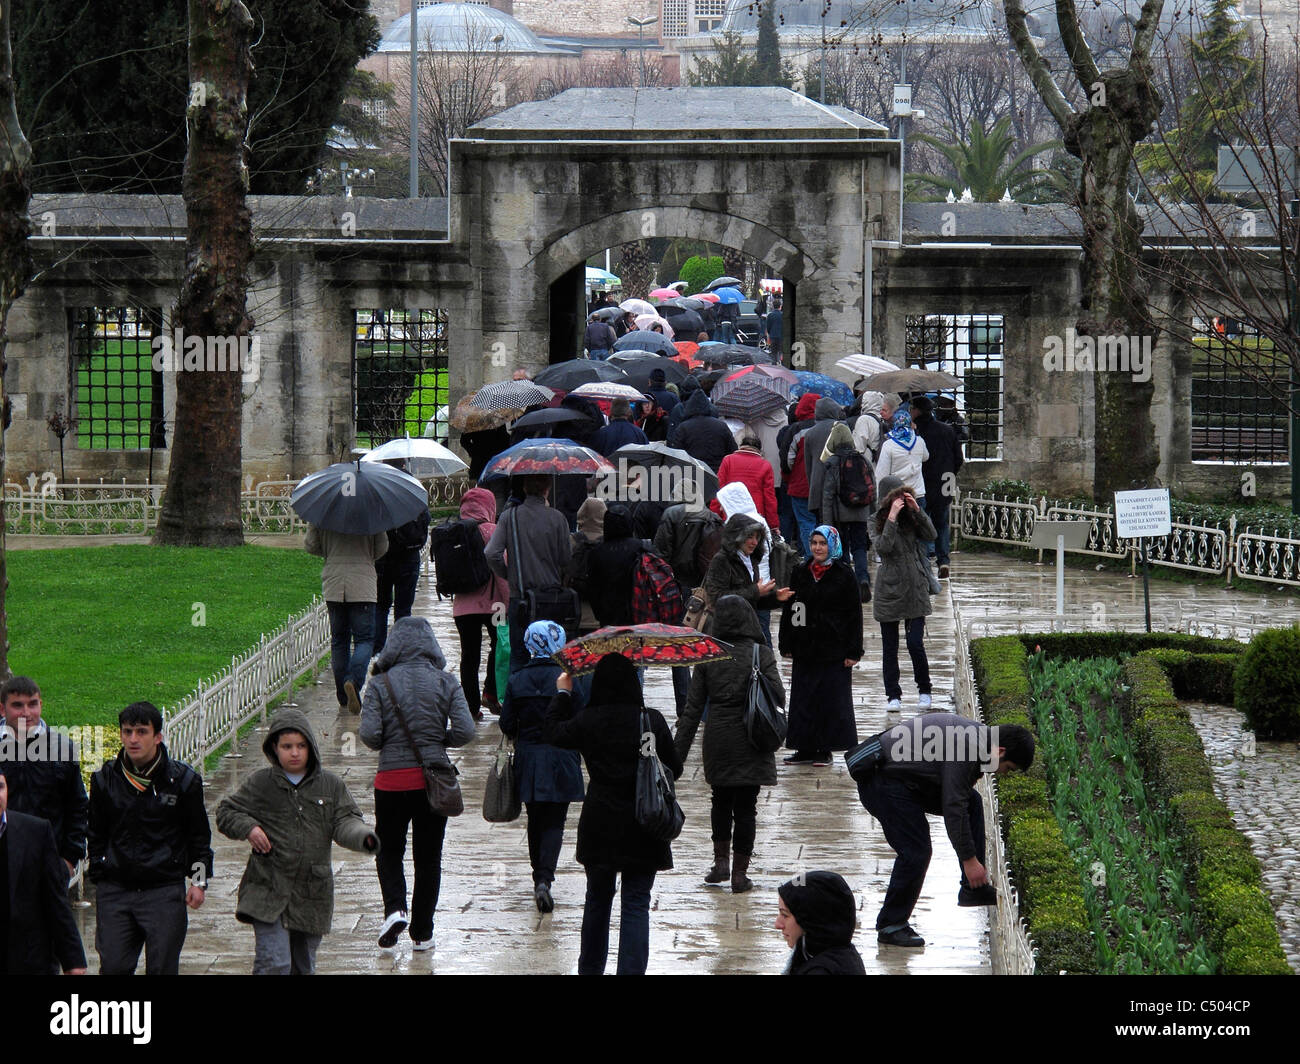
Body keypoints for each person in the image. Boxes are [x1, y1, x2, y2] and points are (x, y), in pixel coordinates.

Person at [544, 654, 683, 975]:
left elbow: (552, 732)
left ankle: (590, 969)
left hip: (601, 823)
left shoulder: (589, 719)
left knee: (597, 900)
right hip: (645, 822)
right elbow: (674, 768)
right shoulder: (651, 720)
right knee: (636, 903)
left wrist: (563, 693)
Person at [216, 710, 379, 974]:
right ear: (274, 749)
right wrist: (250, 828)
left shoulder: (331, 786)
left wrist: (363, 837)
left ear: (311, 748)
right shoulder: (261, 784)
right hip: (268, 888)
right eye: (287, 746)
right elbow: (227, 811)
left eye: (301, 746)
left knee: (303, 965)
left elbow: (346, 820)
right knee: (275, 962)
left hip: (311, 892)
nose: (294, 753)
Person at [856, 713, 1035, 947]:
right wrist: (969, 860)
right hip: (881, 781)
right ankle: (891, 925)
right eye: (1008, 768)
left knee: (972, 802)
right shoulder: (969, 748)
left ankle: (973, 889)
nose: (1003, 773)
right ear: (1000, 751)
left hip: (904, 779)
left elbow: (960, 800)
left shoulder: (978, 740)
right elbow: (953, 807)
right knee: (916, 851)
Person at [360, 616, 476, 952]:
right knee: (428, 858)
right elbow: (467, 731)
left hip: (392, 782)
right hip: (433, 781)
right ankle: (423, 932)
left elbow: (369, 735)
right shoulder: (446, 681)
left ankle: (395, 908)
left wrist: (389, 744)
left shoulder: (381, 684)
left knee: (389, 850)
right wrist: (440, 740)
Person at [88, 701, 212, 975]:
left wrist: (199, 881)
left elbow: (199, 837)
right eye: (127, 731)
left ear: (158, 737)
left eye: (141, 732)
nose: (133, 739)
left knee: (162, 967)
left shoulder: (183, 781)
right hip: (116, 890)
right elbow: (95, 832)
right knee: (113, 967)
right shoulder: (104, 779)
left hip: (163, 890)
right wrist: (100, 868)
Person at [674, 596, 783, 894]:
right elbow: (778, 697)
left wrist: (676, 756)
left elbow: (692, 709)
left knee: (720, 800)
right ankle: (739, 874)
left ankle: (720, 862)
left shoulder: (710, 655)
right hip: (752, 738)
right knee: (747, 808)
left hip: (719, 738)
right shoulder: (761, 654)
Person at [500, 621, 585, 913]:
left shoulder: (517, 679)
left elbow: (507, 723)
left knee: (534, 819)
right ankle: (545, 879)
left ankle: (539, 876)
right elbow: (580, 716)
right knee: (555, 821)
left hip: (529, 758)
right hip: (561, 757)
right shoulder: (568, 676)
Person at [778, 526, 862, 766]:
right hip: (806, 646)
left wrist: (854, 651)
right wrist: (787, 641)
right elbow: (793, 609)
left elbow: (854, 615)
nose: (817, 548)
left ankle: (824, 749)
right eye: (814, 542)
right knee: (803, 698)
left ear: (831, 545)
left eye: (822, 543)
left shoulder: (844, 574)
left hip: (834, 649)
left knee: (830, 699)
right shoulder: (801, 571)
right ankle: (803, 748)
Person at [0, 766, 87, 974]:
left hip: (26, 959)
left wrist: (72, 959)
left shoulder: (34, 832)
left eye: (0, 787)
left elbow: (55, 900)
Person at [485, 474, 573, 674]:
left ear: (524, 488)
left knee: (519, 658)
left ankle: (520, 700)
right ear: (547, 489)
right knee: (555, 657)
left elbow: (491, 553)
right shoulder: (558, 518)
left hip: (520, 598)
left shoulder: (510, 517)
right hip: (552, 599)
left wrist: (508, 574)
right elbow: (566, 560)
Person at [0, 675, 87, 877]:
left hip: (48, 864)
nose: (26, 713)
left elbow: (77, 806)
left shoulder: (62, 748)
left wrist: (68, 860)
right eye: (18, 705)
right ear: (3, 709)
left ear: (41, 705)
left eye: (33, 704)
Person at [305, 522, 388, 713]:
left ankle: (343, 696)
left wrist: (330, 552)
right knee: (365, 639)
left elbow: (311, 545)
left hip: (334, 582)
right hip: (363, 584)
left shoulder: (323, 514)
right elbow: (382, 547)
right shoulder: (369, 514)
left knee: (339, 640)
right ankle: (353, 680)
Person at [872, 477, 938, 712]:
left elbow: (931, 535)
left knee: (914, 643)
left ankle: (925, 690)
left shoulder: (911, 518)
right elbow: (882, 547)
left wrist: (917, 511)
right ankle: (893, 695)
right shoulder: (876, 520)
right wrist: (890, 518)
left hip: (915, 586)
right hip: (889, 588)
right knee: (890, 647)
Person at [654, 501, 724, 713]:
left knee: (679, 645)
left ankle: (685, 706)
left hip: (678, 586)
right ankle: (707, 706)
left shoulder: (670, 514)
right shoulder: (712, 517)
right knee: (708, 644)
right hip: (706, 587)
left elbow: (660, 552)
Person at [452, 487, 510, 720]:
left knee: (469, 654)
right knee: (499, 646)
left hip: (464, 608)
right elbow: (502, 572)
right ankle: (491, 692)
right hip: (494, 605)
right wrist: (509, 602)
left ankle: (471, 707)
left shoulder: (454, 532)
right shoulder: (493, 531)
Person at [910, 394, 964, 579]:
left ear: (917, 410)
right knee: (942, 523)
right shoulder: (947, 430)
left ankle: (925, 560)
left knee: (922, 523)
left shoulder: (916, 433)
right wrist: (950, 473)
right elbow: (959, 458)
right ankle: (944, 561)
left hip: (923, 482)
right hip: (945, 481)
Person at [703, 514, 792, 625]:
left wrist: (775, 598)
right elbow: (716, 599)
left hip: (747, 626)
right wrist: (755, 591)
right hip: (728, 628)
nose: (754, 542)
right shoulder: (721, 560)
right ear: (737, 537)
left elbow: (753, 600)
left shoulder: (751, 559)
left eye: (757, 537)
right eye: (750, 537)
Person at [375, 481, 430, 655]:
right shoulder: (413, 488)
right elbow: (425, 519)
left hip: (384, 557)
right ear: (404, 464)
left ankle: (379, 651)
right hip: (409, 557)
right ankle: (400, 651)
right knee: (404, 609)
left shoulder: (380, 489)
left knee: (381, 606)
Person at [819, 422, 873, 600]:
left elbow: (828, 495)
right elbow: (873, 488)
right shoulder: (863, 459)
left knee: (841, 549)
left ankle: (845, 585)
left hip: (840, 514)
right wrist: (873, 513)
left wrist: (827, 524)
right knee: (859, 547)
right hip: (861, 513)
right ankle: (863, 579)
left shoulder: (832, 462)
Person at [775, 870, 865, 975]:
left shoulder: (821, 970)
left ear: (812, 919)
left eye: (785, 915)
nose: (778, 924)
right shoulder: (841, 954)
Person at [584, 505, 645, 628]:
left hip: (608, 618)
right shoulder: (642, 547)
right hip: (638, 615)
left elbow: (593, 588)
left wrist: (600, 614)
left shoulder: (597, 553)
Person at [779, 393, 820, 555]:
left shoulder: (796, 430)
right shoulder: (829, 427)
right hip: (823, 484)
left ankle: (812, 557)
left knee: (805, 522)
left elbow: (787, 459)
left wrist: (788, 477)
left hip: (800, 484)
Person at [714, 435, 777, 531]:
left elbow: (719, 489)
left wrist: (715, 516)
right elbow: (769, 498)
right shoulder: (765, 465)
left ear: (741, 446)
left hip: (730, 512)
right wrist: (773, 525)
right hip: (755, 515)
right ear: (759, 450)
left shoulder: (728, 460)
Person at [669, 385, 737, 472]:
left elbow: (676, 454)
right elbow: (732, 450)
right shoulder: (721, 426)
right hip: (718, 473)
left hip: (693, 473)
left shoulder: (683, 428)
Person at [875, 407, 930, 510]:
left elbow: (882, 474)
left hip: (897, 496)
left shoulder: (889, 445)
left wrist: (879, 498)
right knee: (918, 524)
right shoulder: (919, 441)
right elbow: (926, 457)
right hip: (918, 494)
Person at [852, 391, 893, 464]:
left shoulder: (864, 420)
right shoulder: (882, 419)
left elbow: (859, 447)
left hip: (868, 463)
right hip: (881, 462)